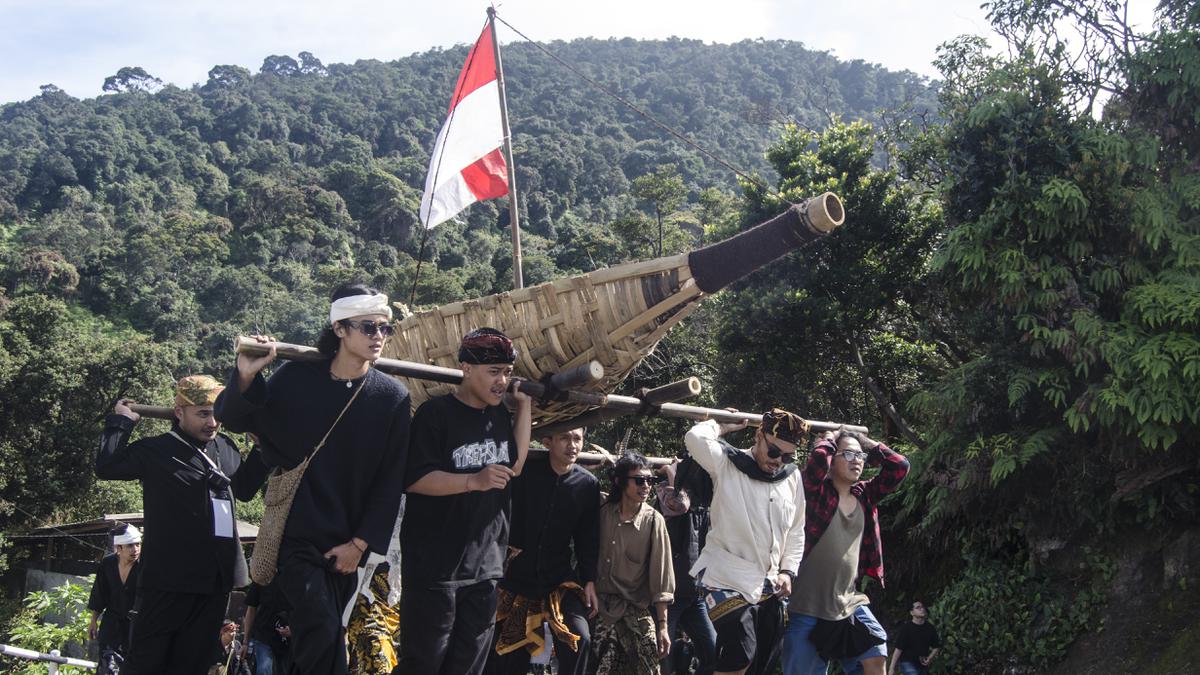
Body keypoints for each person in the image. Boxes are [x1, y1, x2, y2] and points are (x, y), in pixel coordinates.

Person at [216, 283, 412, 675]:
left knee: (320, 638)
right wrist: (247, 377)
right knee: (322, 630)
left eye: (384, 329)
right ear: (339, 328)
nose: (378, 337)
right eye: (368, 327)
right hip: (295, 535)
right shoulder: (296, 378)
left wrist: (359, 544)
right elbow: (237, 418)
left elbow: (391, 480)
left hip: (348, 542)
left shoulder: (392, 397)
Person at [97, 375, 268, 675]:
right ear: (179, 412)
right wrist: (121, 423)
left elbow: (245, 489)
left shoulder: (225, 449)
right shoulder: (155, 451)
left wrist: (260, 447)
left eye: (217, 414)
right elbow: (107, 466)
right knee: (146, 663)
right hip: (166, 581)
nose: (212, 422)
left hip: (214, 582)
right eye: (202, 413)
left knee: (194, 664)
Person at [396, 327, 532, 675]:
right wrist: (473, 480)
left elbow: (514, 465)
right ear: (466, 368)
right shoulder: (435, 414)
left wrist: (524, 407)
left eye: (507, 372)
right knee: (423, 662)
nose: (502, 381)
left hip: (485, 565)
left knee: (468, 665)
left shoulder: (499, 415)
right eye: (494, 372)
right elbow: (415, 479)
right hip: (436, 566)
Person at [683, 409, 808, 675]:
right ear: (759, 436)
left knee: (763, 661)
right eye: (774, 452)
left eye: (787, 456)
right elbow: (694, 438)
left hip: (769, 582)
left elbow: (797, 529)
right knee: (740, 653)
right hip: (725, 576)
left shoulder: (791, 477)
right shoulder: (728, 463)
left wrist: (788, 570)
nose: (778, 461)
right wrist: (722, 426)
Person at [781, 428, 910, 675]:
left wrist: (865, 442)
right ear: (832, 460)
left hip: (847, 603)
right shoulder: (815, 494)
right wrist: (830, 436)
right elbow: (816, 464)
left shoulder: (865, 495)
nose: (857, 461)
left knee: (875, 652)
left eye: (860, 455)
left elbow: (899, 466)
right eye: (848, 455)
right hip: (805, 607)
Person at [486, 427, 600, 675]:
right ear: (548, 442)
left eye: (577, 439)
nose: (572, 445)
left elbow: (587, 538)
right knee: (505, 650)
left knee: (580, 639)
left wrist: (589, 580)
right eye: (565, 438)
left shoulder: (588, 485)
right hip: (517, 578)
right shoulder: (525, 474)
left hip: (557, 581)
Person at [592, 452, 675, 675]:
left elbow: (662, 578)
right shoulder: (601, 510)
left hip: (634, 609)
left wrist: (663, 627)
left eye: (650, 480)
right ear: (619, 481)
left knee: (649, 664)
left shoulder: (653, 520)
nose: (646, 486)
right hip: (596, 606)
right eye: (639, 480)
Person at [655, 457, 717, 675]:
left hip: (694, 594)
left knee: (713, 653)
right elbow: (678, 506)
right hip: (669, 595)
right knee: (663, 659)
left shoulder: (705, 500)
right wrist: (672, 474)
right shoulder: (666, 492)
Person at [88, 523, 142, 674]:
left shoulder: (145, 566)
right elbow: (100, 593)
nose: (135, 549)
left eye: (138, 544)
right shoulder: (108, 564)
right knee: (107, 667)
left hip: (136, 629)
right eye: (130, 545)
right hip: (111, 626)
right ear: (119, 548)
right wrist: (93, 620)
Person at [241, 581, 292, 675]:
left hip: (288, 641)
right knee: (264, 670)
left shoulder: (296, 577)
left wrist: (293, 630)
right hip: (263, 635)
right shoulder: (262, 576)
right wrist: (245, 642)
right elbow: (251, 609)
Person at [888, 601, 941, 675]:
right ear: (912, 612)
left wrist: (929, 658)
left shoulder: (930, 628)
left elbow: (936, 646)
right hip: (907, 662)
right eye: (918, 608)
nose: (922, 609)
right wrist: (891, 668)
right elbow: (898, 649)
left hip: (922, 663)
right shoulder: (906, 628)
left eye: (922, 607)